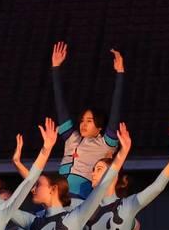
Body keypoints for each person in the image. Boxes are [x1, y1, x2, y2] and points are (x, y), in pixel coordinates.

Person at [49, 41, 126, 200]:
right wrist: (55, 68)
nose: (83, 124)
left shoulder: (105, 143)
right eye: (82, 120)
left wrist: (120, 73)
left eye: (89, 121)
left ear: (99, 127)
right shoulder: (72, 137)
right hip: (58, 196)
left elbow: (115, 112)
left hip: (80, 197)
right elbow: (61, 106)